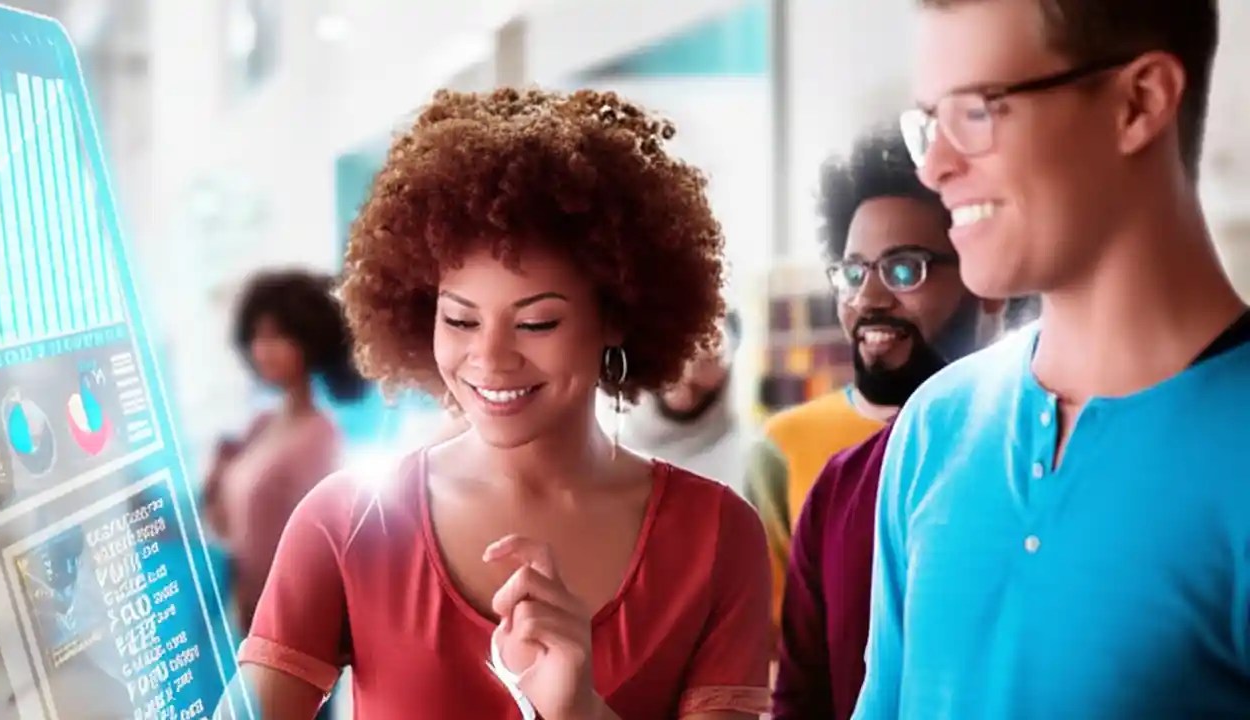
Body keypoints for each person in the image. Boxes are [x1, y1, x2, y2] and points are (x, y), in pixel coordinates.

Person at [223, 88, 771, 720]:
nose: (490, 358)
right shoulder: (345, 523)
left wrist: (584, 711)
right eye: (459, 320)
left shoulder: (716, 537)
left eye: (536, 324)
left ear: (615, 317)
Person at [856, 1, 1250, 718]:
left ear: (1138, 103)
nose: (937, 166)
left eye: (977, 110)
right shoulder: (932, 430)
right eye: (928, 122)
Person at [771, 126, 1002, 720]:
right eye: (853, 273)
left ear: (988, 284)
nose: (868, 299)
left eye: (904, 271)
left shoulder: (1044, 461)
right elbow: (803, 702)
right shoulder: (838, 489)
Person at [203, 269, 368, 635]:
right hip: (243, 617)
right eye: (257, 336)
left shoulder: (321, 436)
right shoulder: (261, 424)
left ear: (310, 341)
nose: (263, 349)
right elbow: (227, 523)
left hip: (293, 627)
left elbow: (323, 550)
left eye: (277, 337)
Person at [601, 310, 748, 492]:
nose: (689, 372)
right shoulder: (603, 451)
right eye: (678, 349)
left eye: (709, 350)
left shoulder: (752, 463)